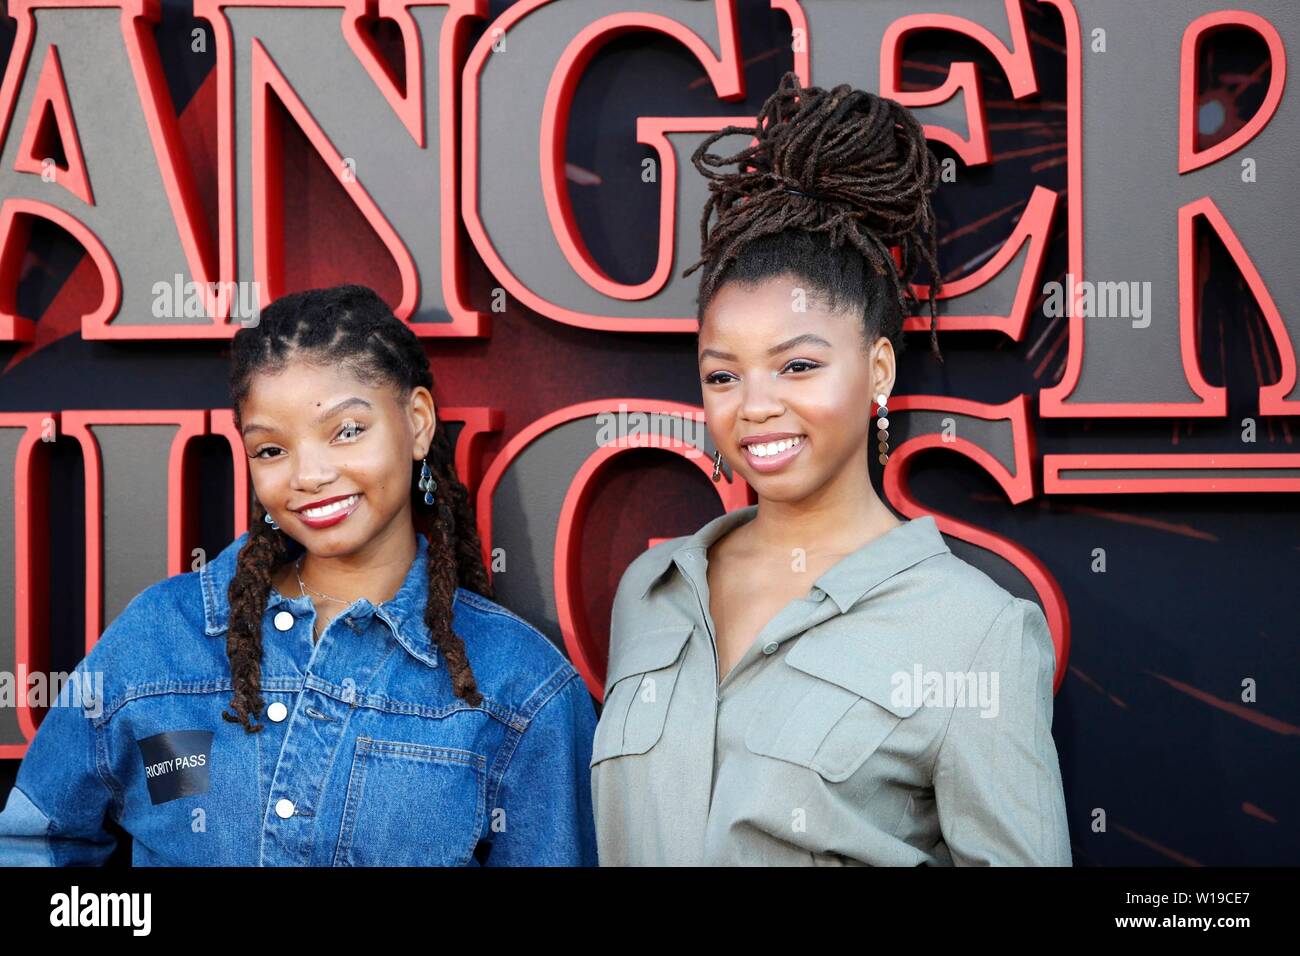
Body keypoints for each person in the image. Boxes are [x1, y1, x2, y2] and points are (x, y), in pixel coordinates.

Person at [591, 71, 1071, 866]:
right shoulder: (653, 594)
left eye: (798, 367)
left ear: (879, 370)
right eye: (722, 375)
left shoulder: (973, 632)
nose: (755, 406)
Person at [0, 284, 598, 866]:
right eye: (271, 450)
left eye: (346, 431)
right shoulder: (162, 638)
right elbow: (35, 840)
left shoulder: (522, 688)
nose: (308, 475)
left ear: (417, 423)